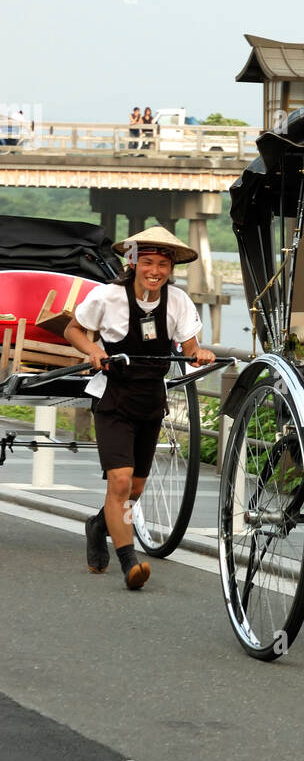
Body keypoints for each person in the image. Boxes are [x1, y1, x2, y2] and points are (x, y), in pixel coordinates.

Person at [64, 226, 215, 590]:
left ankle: (100, 524)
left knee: (132, 489)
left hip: (150, 401)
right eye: (147, 262)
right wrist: (94, 350)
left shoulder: (177, 301)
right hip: (113, 398)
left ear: (170, 268)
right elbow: (73, 329)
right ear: (133, 263)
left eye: (163, 264)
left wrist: (199, 354)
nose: (155, 270)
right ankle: (130, 563)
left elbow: (190, 346)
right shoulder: (108, 297)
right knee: (118, 481)